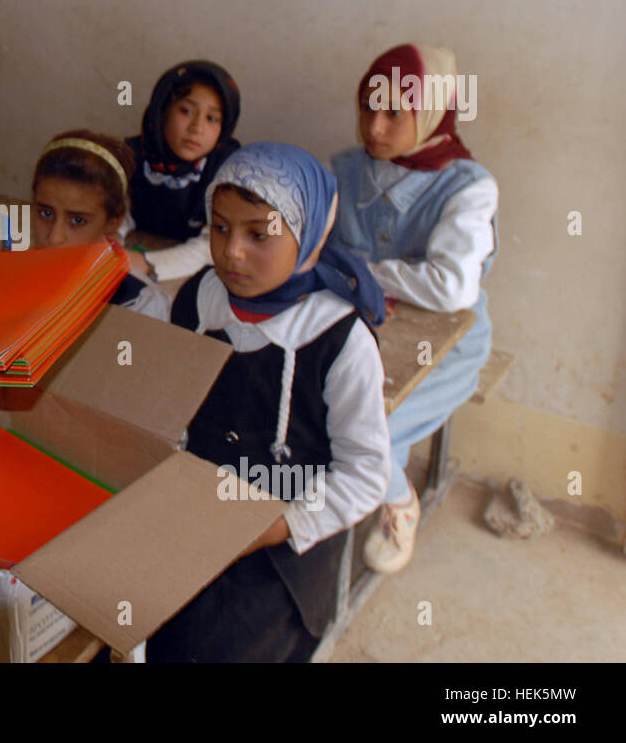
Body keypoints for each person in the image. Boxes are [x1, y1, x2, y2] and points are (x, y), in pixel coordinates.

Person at [150, 142, 391, 662]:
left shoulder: (339, 340)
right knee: (127, 623)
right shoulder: (199, 298)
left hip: (283, 545)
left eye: (259, 234)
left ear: (305, 236)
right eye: (219, 227)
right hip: (196, 511)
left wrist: (271, 527)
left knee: (221, 648)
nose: (232, 251)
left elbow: (366, 473)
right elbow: (172, 405)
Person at [331, 43, 498, 574]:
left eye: (394, 113)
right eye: (367, 107)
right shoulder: (344, 168)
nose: (374, 127)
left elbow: (451, 289)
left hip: (445, 343)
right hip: (361, 323)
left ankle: (399, 501)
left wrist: (363, 272)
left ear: (431, 112)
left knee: (372, 432)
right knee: (321, 411)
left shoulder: (469, 187)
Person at [121, 60, 242, 282]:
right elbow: (113, 215)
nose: (196, 127)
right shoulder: (132, 155)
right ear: (162, 111)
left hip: (189, 273)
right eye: (186, 111)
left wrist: (148, 263)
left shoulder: (227, 168)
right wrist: (111, 247)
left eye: (212, 118)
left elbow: (213, 244)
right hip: (135, 250)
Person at [31, 130, 170, 320]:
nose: (55, 237)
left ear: (114, 220)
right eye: (46, 213)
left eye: (77, 220)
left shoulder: (140, 305)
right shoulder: (16, 275)